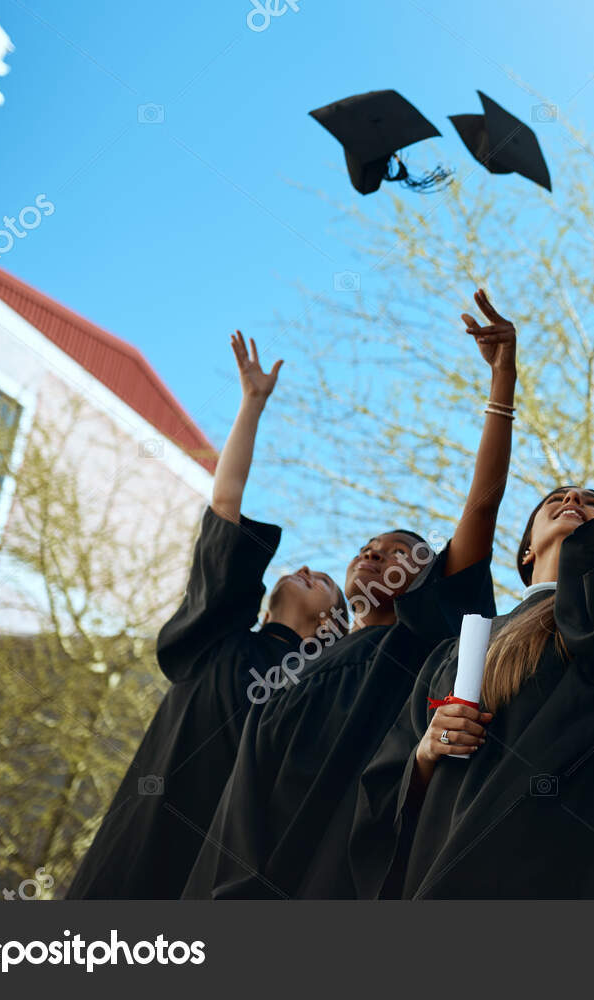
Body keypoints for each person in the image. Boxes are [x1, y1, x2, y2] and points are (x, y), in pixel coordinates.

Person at [349, 224, 594, 899]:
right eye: (557, 498)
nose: (574, 499)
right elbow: (386, 801)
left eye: (591, 504)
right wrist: (431, 748)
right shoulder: (460, 648)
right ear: (524, 550)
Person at [180, 291, 514, 898]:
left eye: (396, 550)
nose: (373, 553)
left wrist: (502, 385)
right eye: (366, 544)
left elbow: (483, 504)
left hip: (342, 877)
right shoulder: (291, 674)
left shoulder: (421, 643)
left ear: (429, 576)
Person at [67, 333, 343, 899]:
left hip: (224, 881)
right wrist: (252, 405)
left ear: (330, 628)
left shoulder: (320, 690)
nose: (309, 566)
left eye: (326, 584)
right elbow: (226, 505)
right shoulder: (217, 639)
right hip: (136, 854)